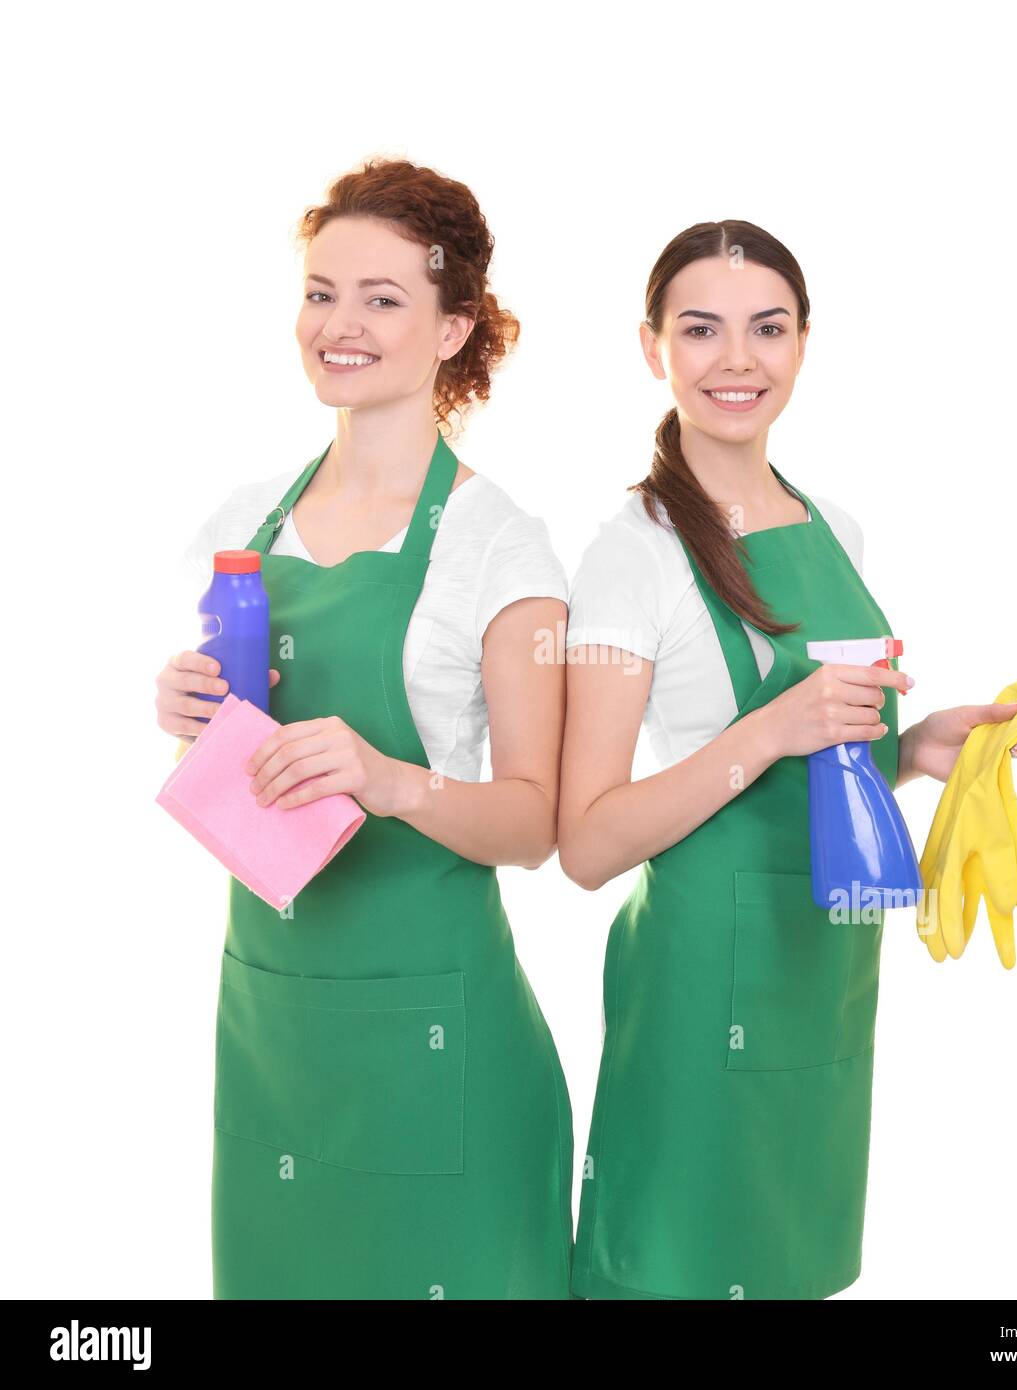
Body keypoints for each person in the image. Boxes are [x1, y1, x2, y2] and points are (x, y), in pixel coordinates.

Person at [558, 219, 1017, 1300]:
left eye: (767, 328)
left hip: (823, 971)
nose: (737, 360)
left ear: (803, 344)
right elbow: (585, 844)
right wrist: (769, 727)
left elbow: (822, 771)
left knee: (791, 1269)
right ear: (650, 347)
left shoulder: (835, 526)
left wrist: (908, 750)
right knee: (674, 1267)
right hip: (697, 975)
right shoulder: (632, 553)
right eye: (700, 329)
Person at [155, 157, 573, 1300]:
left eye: (382, 298)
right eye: (321, 290)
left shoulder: (498, 548)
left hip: (439, 1042)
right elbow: (242, 780)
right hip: (274, 1037)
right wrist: (185, 716)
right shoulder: (247, 525)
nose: (338, 325)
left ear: (452, 329)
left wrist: (391, 780)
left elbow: (534, 823)